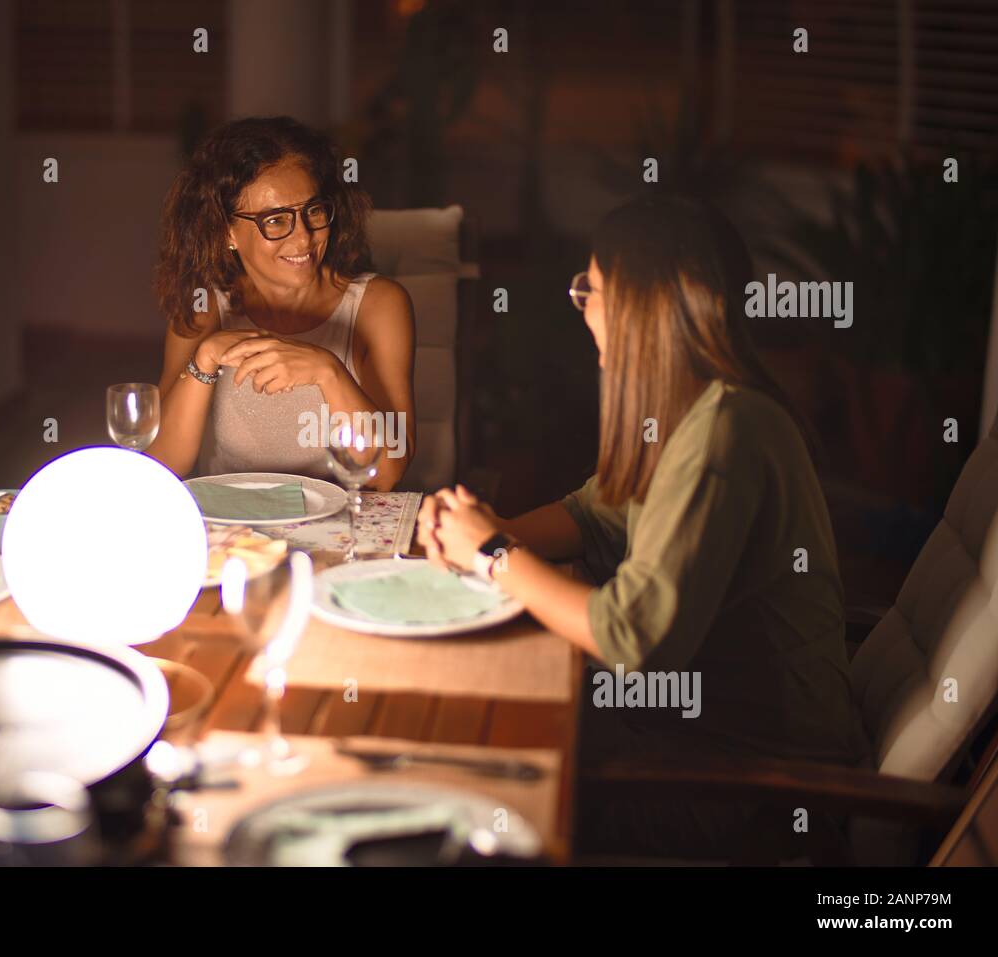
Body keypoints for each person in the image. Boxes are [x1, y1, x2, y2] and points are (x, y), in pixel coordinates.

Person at [417, 195, 870, 858]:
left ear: (641, 306)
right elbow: (591, 512)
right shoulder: (694, 405)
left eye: (590, 289)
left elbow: (635, 640)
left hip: (749, 787)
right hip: (689, 737)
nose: (582, 307)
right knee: (466, 728)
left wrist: (492, 555)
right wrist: (483, 527)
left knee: (470, 784)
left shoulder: (722, 433)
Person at [148, 116, 415, 489]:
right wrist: (203, 359)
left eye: (314, 211)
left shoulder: (378, 305)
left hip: (337, 531)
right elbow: (162, 464)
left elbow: (386, 473)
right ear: (227, 232)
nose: (303, 237)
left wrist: (328, 371)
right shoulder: (205, 305)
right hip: (237, 530)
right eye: (275, 220)